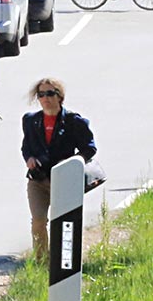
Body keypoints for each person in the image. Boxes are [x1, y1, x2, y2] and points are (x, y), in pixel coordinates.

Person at [21, 78, 98, 259]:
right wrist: (29, 158)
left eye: (50, 93)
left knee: (65, 222)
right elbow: (26, 147)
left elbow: (89, 148)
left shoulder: (74, 121)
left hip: (64, 180)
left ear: (59, 96)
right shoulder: (31, 121)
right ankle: (41, 260)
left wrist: (74, 162)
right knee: (38, 220)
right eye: (41, 94)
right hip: (38, 180)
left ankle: (63, 261)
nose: (45, 98)